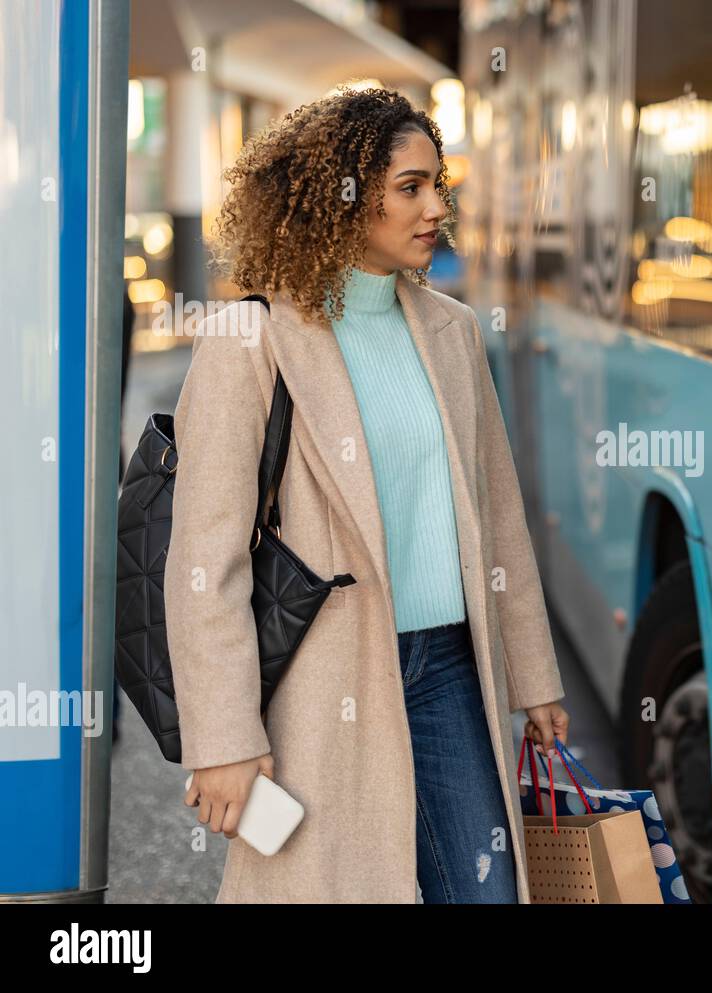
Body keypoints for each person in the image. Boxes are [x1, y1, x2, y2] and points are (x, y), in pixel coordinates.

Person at [167, 86, 569, 903]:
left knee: (486, 890)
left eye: (438, 184)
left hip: (450, 666)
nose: (437, 208)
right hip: (326, 679)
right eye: (410, 188)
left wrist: (535, 674)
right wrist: (223, 737)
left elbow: (497, 517)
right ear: (343, 199)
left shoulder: (451, 331)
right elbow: (205, 562)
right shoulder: (252, 340)